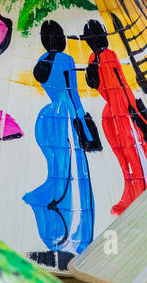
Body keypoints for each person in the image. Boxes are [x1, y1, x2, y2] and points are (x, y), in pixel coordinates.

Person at [23, 20, 100, 269]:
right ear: (60, 38)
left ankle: (57, 231)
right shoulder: (66, 60)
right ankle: (77, 236)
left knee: (58, 172)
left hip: (49, 119)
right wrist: (84, 126)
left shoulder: (41, 63)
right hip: (67, 117)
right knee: (76, 175)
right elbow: (73, 94)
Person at [83, 18, 147, 216]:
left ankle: (133, 189)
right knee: (136, 149)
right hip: (123, 109)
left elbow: (96, 84)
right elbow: (122, 83)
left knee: (124, 156)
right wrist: (135, 110)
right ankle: (145, 186)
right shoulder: (109, 55)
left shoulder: (92, 60)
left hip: (109, 114)